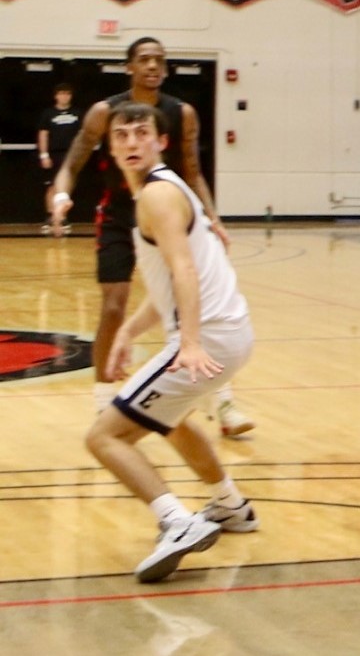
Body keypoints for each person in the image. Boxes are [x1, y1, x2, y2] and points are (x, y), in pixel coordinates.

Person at [83, 101, 259, 584]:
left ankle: (176, 521)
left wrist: (192, 342)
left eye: (143, 133)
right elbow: (169, 284)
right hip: (234, 332)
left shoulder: (156, 196)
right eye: (122, 135)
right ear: (111, 147)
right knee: (175, 420)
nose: (132, 142)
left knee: (103, 436)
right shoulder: (166, 190)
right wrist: (127, 332)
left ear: (161, 142)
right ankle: (230, 506)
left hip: (212, 337)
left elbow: (184, 271)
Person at [47, 38, 251, 438]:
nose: (153, 66)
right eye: (144, 60)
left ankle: (223, 400)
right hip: (120, 214)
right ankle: (104, 396)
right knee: (113, 307)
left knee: (196, 302)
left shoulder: (181, 113)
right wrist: (60, 195)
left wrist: (213, 217)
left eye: (160, 60)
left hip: (169, 210)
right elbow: (73, 160)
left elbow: (192, 171)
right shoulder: (105, 112)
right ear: (129, 67)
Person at [37, 82, 81, 235]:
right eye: (61, 93)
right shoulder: (48, 113)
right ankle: (50, 216)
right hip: (54, 153)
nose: (64, 96)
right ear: (56, 96)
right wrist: (44, 154)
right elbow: (43, 134)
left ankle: (62, 217)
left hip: (70, 155)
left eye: (67, 93)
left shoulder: (77, 113)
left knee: (66, 186)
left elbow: (82, 136)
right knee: (51, 186)